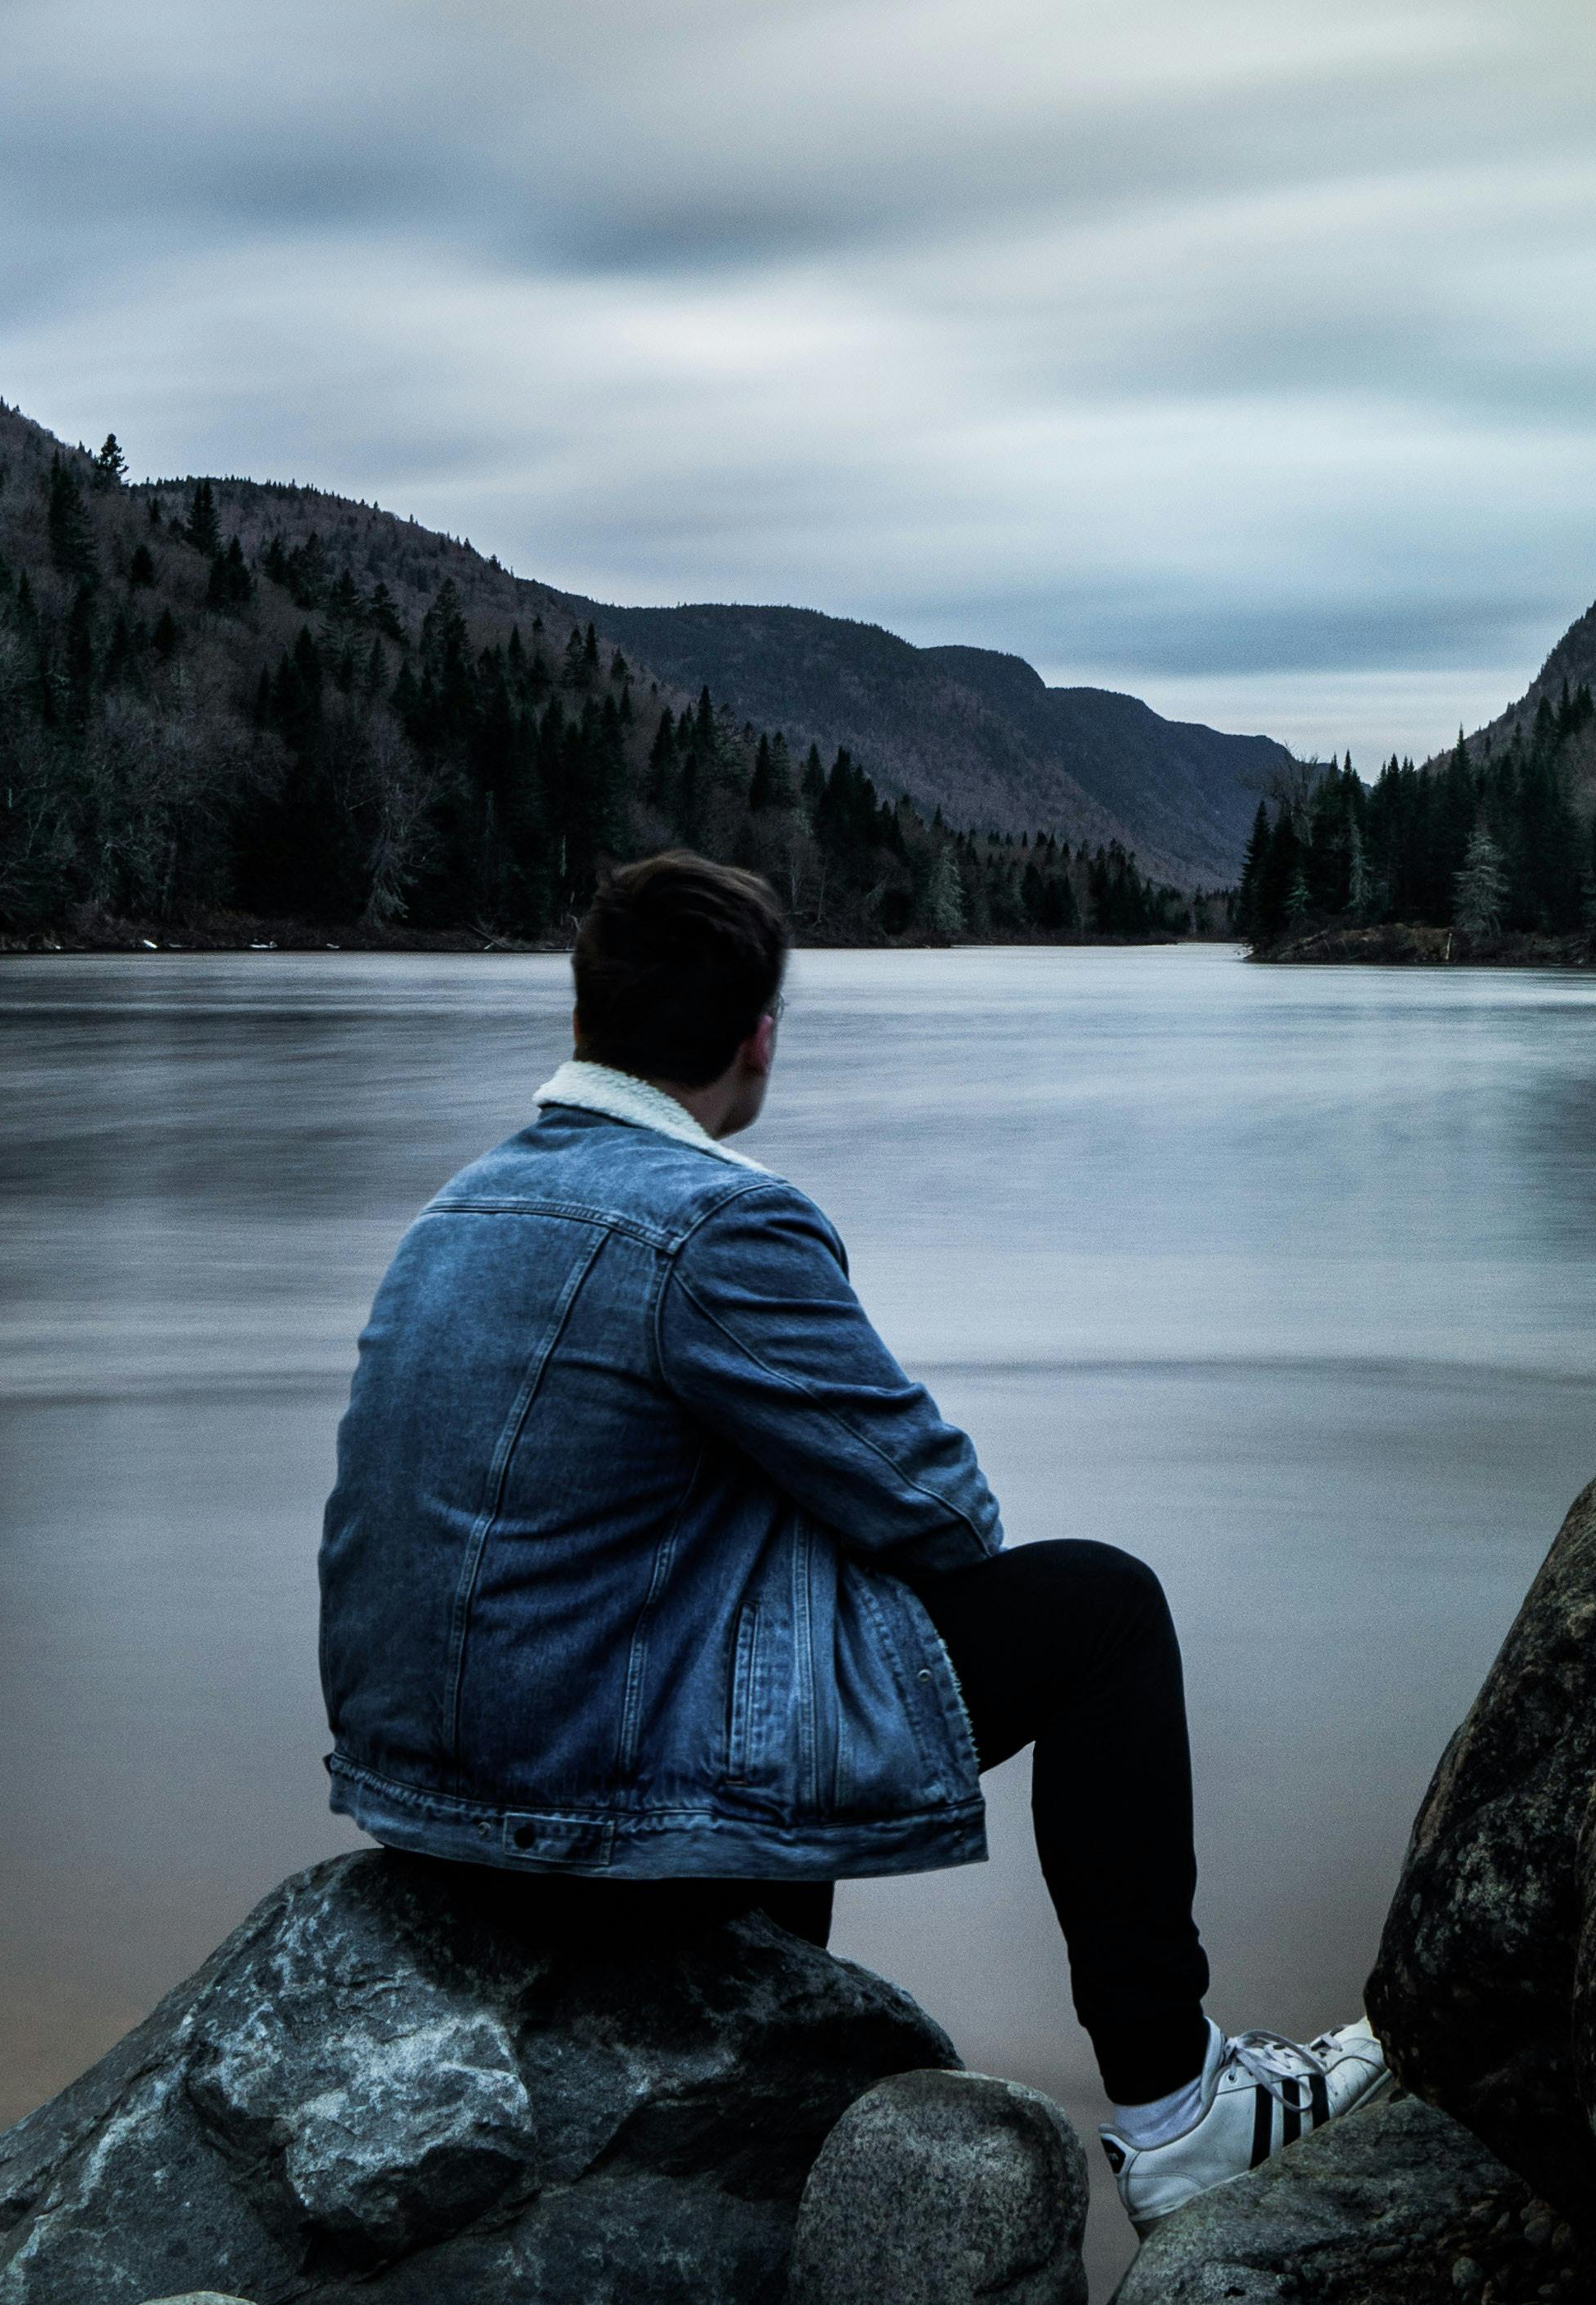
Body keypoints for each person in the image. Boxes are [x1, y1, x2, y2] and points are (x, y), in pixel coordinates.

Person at [318, 847, 1382, 2229]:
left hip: (410, 1784)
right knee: (1102, 1612)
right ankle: (1179, 2105)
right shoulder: (712, 1224)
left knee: (771, 1576)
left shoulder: (452, 1209)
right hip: (571, 1791)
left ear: (583, 1015)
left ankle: (774, 2112)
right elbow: (944, 1516)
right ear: (758, 1042)